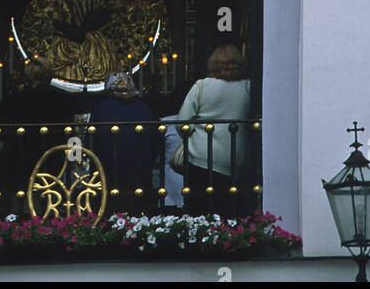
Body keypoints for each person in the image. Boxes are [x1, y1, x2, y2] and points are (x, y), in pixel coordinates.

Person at [174, 45, 251, 215]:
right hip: (233, 159)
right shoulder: (248, 88)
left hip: (200, 157)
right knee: (228, 211)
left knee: (197, 210)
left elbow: (182, 124)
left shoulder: (202, 86)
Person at [0, 57, 75, 194]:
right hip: (54, 154)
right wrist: (76, 157)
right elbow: (70, 130)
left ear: (28, 75)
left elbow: (7, 130)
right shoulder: (63, 97)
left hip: (23, 155)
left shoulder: (18, 99)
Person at [89, 72, 158, 208]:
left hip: (109, 166)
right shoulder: (144, 107)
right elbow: (156, 140)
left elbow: (90, 140)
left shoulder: (101, 108)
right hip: (139, 165)